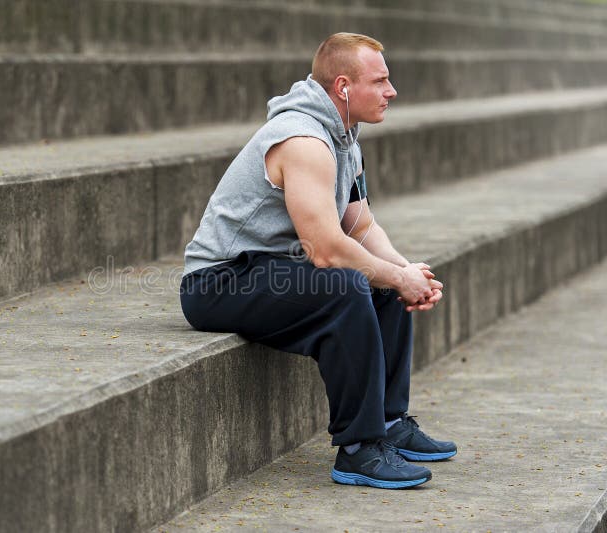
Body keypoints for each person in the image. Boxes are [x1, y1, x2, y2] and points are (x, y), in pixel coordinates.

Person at [179, 32, 456, 489]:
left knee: (381, 282)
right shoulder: (304, 140)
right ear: (344, 87)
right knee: (348, 284)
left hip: (271, 270)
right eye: (381, 81)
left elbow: (360, 225)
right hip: (219, 280)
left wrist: (407, 274)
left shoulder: (344, 134)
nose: (392, 91)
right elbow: (325, 248)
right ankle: (358, 451)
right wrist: (392, 274)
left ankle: (389, 423)